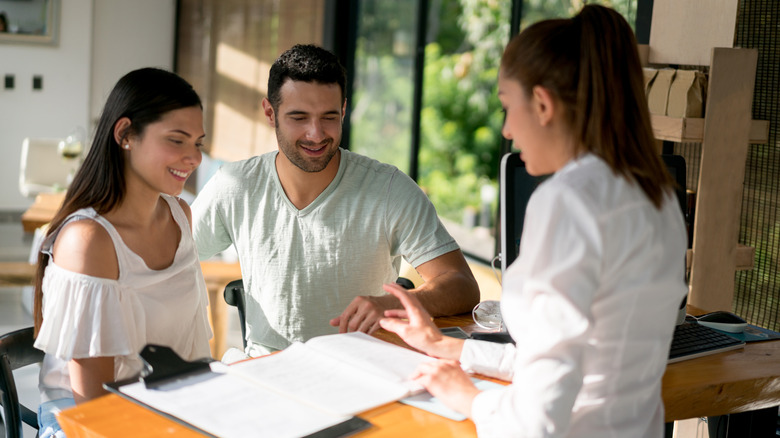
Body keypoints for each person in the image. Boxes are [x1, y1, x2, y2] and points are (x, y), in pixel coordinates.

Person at [379, 5, 688, 437]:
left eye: (508, 106)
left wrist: (468, 397)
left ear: (542, 104)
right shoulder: (657, 196)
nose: (506, 129)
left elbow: (537, 422)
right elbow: (574, 359)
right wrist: (447, 348)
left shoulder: (568, 202)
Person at [192, 44, 479, 357]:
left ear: (343, 110)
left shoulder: (389, 190)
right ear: (269, 113)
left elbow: (462, 284)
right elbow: (164, 257)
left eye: (329, 117)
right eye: (298, 117)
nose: (316, 134)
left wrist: (394, 303)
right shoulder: (235, 185)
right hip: (267, 369)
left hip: (362, 365)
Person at [32, 68, 212, 438]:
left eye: (198, 143)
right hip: (91, 420)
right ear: (125, 134)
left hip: (166, 405)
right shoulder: (89, 240)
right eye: (176, 141)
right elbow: (92, 401)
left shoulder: (181, 215)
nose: (192, 158)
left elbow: (192, 353)